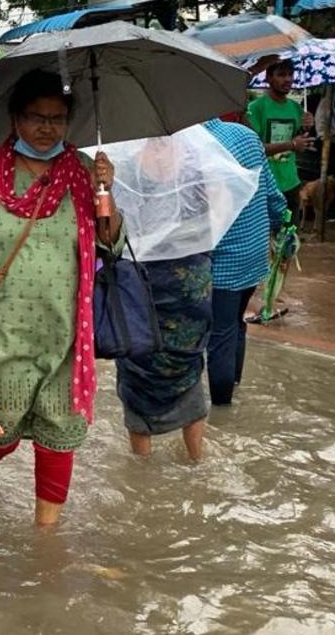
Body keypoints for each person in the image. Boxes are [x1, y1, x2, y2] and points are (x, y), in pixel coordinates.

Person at [0, 70, 122, 526]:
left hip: (66, 332)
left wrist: (106, 192)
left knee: (59, 435)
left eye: (57, 119)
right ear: (14, 117)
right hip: (1, 330)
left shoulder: (85, 170)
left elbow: (111, 244)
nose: (47, 128)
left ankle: (47, 537)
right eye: (36, 117)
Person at [113, 140, 213, 461]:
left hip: (175, 287)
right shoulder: (124, 169)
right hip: (155, 282)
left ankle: (168, 464)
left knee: (172, 365)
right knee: (142, 365)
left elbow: (113, 230)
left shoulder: (127, 166)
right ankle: (169, 464)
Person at [204, 118, 289, 406]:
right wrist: (280, 227)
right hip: (253, 254)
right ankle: (234, 386)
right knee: (234, 324)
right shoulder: (246, 136)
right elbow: (273, 196)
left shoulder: (191, 147)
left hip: (220, 260)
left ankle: (222, 408)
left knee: (220, 332)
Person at [249, 60, 312, 221]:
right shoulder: (256, 108)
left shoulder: (296, 108)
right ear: (269, 78)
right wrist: (291, 144)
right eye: (281, 75)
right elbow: (254, 149)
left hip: (291, 183)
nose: (288, 79)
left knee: (289, 233)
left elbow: (301, 146)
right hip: (264, 185)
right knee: (265, 234)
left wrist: (306, 129)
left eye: (290, 74)